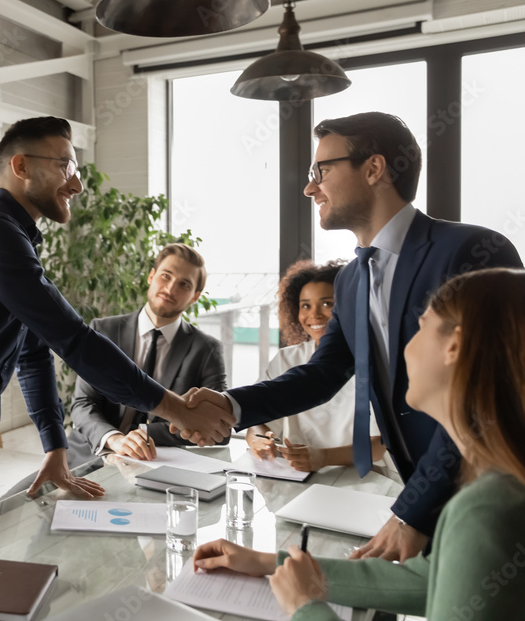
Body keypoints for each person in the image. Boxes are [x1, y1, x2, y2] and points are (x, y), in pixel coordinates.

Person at [0, 116, 233, 546]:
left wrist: (55, 448)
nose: (76, 184)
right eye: (66, 167)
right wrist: (178, 410)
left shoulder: (16, 239)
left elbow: (34, 353)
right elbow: (74, 339)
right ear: (21, 166)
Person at [189, 111, 521, 562]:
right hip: (415, 494)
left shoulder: (470, 251)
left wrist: (413, 512)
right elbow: (322, 374)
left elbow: (487, 396)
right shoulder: (350, 281)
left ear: (374, 168)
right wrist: (231, 406)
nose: (310, 188)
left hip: (486, 501)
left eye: (321, 171)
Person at [191, 268, 525, 621]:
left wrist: (304, 607)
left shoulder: (486, 511)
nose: (404, 347)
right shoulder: (498, 489)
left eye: (420, 327)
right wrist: (269, 563)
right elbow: (426, 582)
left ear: (453, 345)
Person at [69, 243, 227, 467]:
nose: (170, 289)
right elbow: (83, 403)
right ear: (151, 276)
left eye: (184, 284)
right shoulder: (103, 330)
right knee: (25, 490)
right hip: (91, 451)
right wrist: (114, 439)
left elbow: (219, 427)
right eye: (166, 276)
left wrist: (144, 433)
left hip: (157, 463)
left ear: (195, 296)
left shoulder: (207, 350)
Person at [246, 259, 385, 472]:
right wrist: (259, 440)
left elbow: (379, 446)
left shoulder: (373, 362)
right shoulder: (286, 359)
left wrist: (323, 457)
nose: (314, 314)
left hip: (362, 477)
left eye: (327, 304)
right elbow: (256, 421)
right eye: (305, 305)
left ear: (349, 306)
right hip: (297, 475)